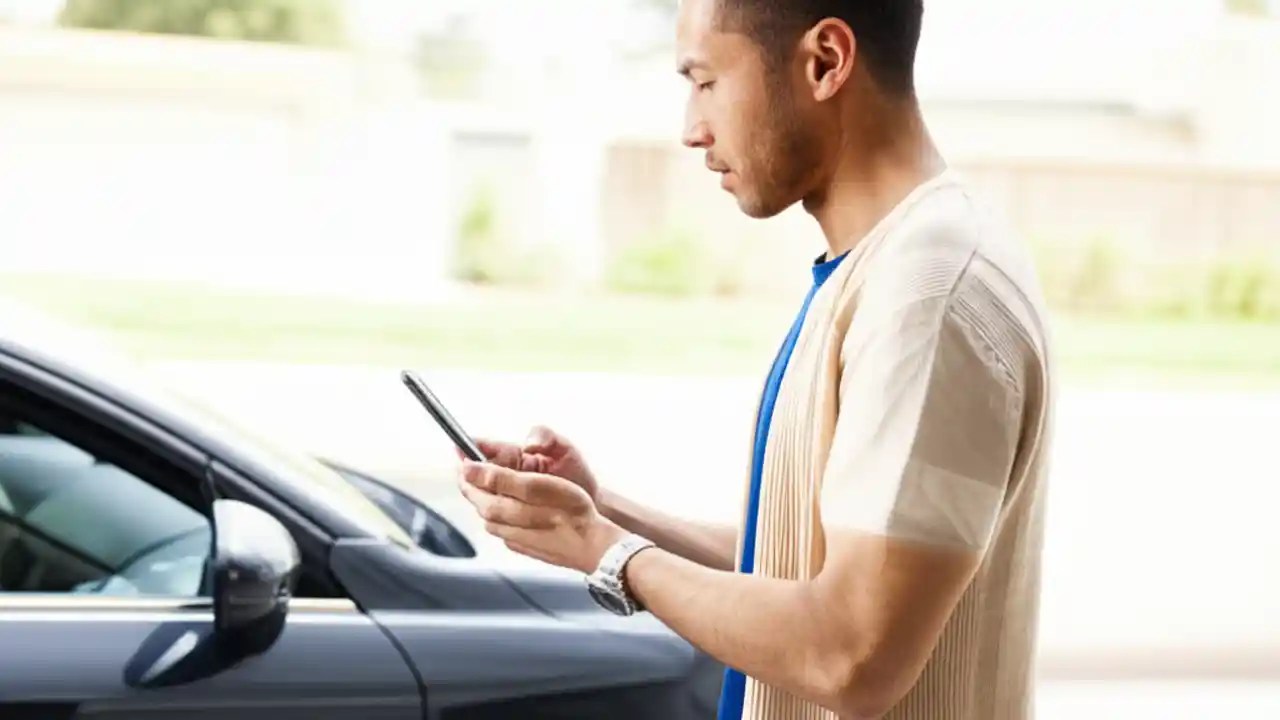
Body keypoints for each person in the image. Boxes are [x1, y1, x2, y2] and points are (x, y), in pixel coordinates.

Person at [455, 0, 1055, 718]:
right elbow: (808, 564)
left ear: (826, 62)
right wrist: (604, 509)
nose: (690, 129)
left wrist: (599, 547)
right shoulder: (886, 267)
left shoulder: (929, 294)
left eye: (705, 81)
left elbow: (850, 653)